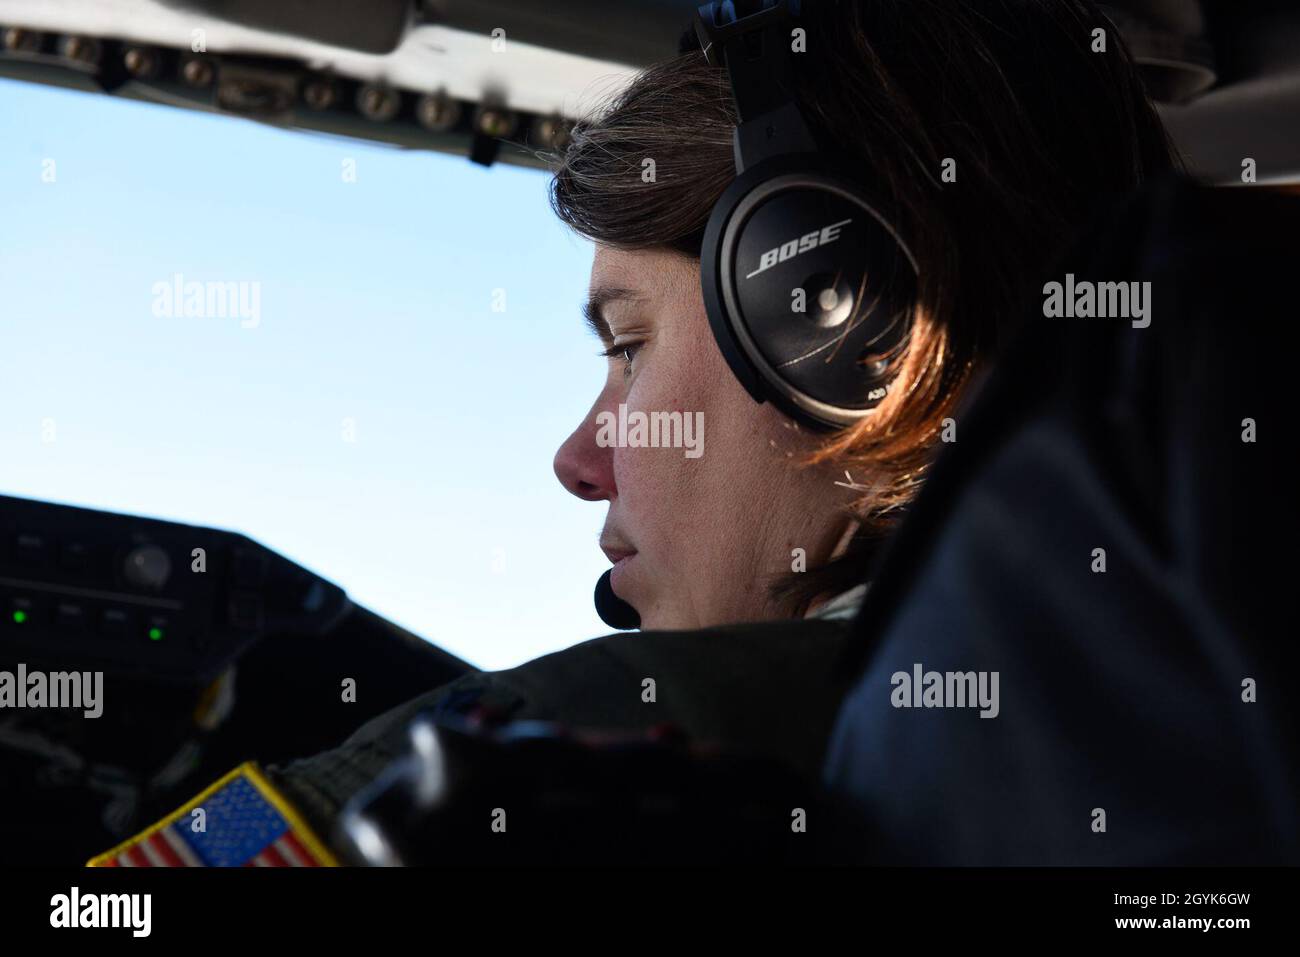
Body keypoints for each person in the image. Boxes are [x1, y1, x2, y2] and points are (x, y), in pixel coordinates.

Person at [89, 0, 1182, 864]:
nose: (578, 460)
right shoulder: (1190, 712)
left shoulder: (557, 748)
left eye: (626, 348)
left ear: (836, 324)